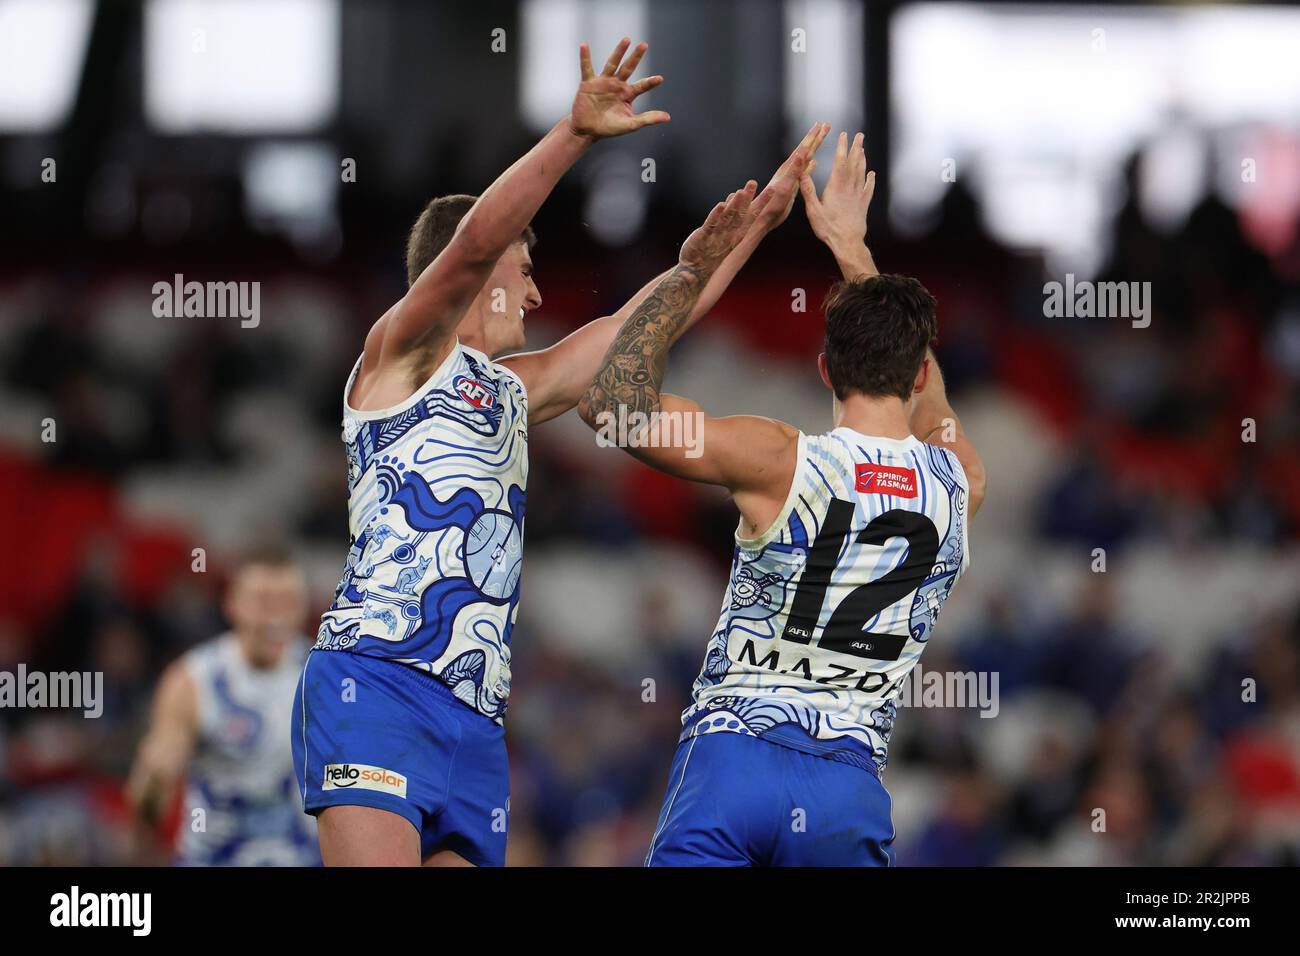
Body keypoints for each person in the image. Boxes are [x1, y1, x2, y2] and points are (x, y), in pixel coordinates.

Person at [293, 34, 824, 866]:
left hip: (472, 716)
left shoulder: (510, 388)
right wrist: (572, 136)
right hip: (377, 684)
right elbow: (471, 242)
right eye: (526, 265)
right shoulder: (399, 355)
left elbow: (628, 338)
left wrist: (734, 242)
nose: (537, 290)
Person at [578, 132, 987, 866]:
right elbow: (936, 408)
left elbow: (608, 406)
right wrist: (854, 251)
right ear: (919, 374)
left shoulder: (777, 457)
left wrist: (690, 272)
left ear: (824, 370)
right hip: (846, 789)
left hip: (733, 763)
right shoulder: (960, 481)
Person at [127, 547, 317, 866]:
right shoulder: (193, 680)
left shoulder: (323, 677)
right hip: (215, 857)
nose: (275, 616)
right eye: (262, 601)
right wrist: (154, 781)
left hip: (301, 856)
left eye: (287, 601)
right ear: (232, 604)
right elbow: (156, 774)